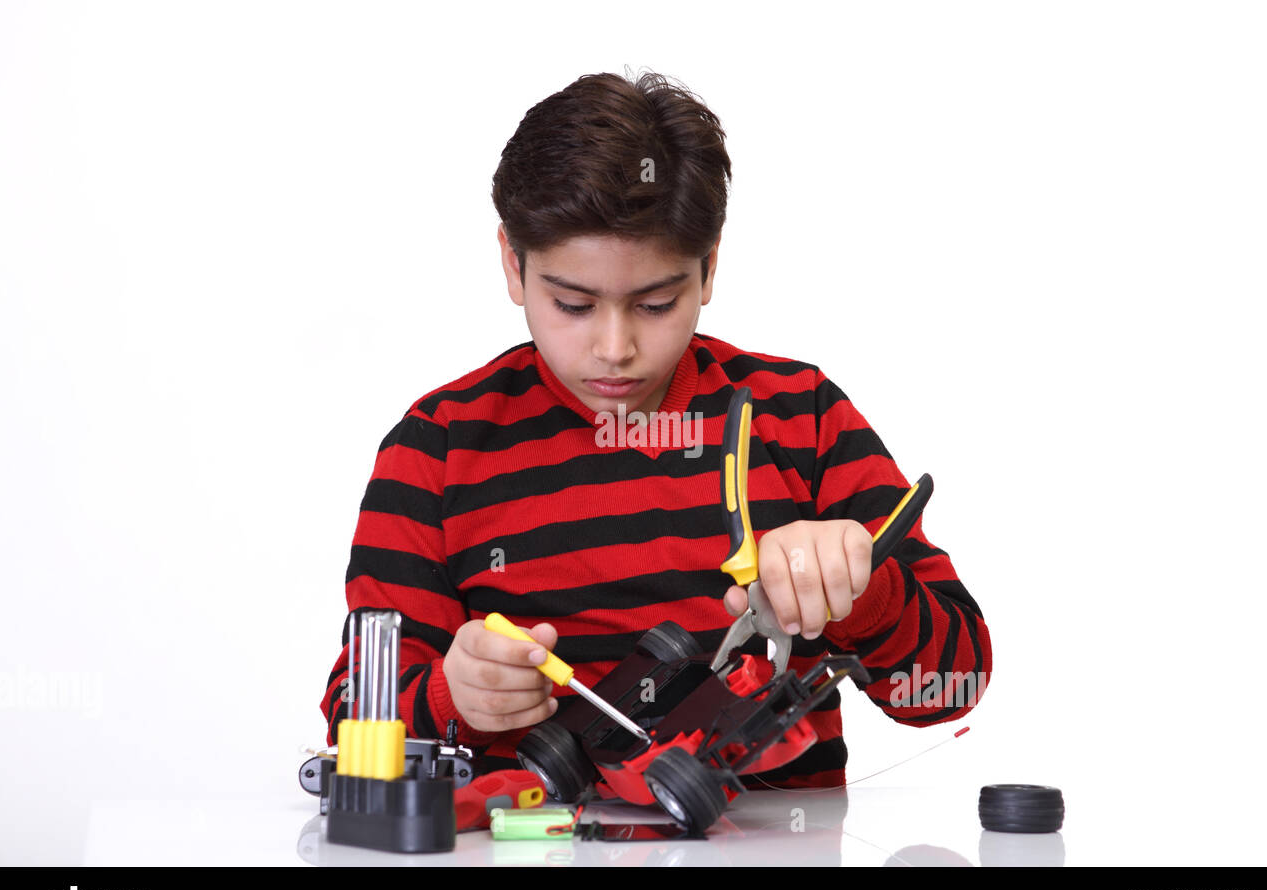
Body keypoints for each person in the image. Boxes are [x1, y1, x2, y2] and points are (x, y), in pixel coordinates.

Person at [319, 70, 991, 788]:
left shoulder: (801, 416)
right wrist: (456, 697)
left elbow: (954, 687)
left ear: (708, 269)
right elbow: (349, 722)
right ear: (513, 265)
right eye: (573, 305)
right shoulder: (439, 448)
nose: (614, 348)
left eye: (656, 302)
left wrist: (865, 592)